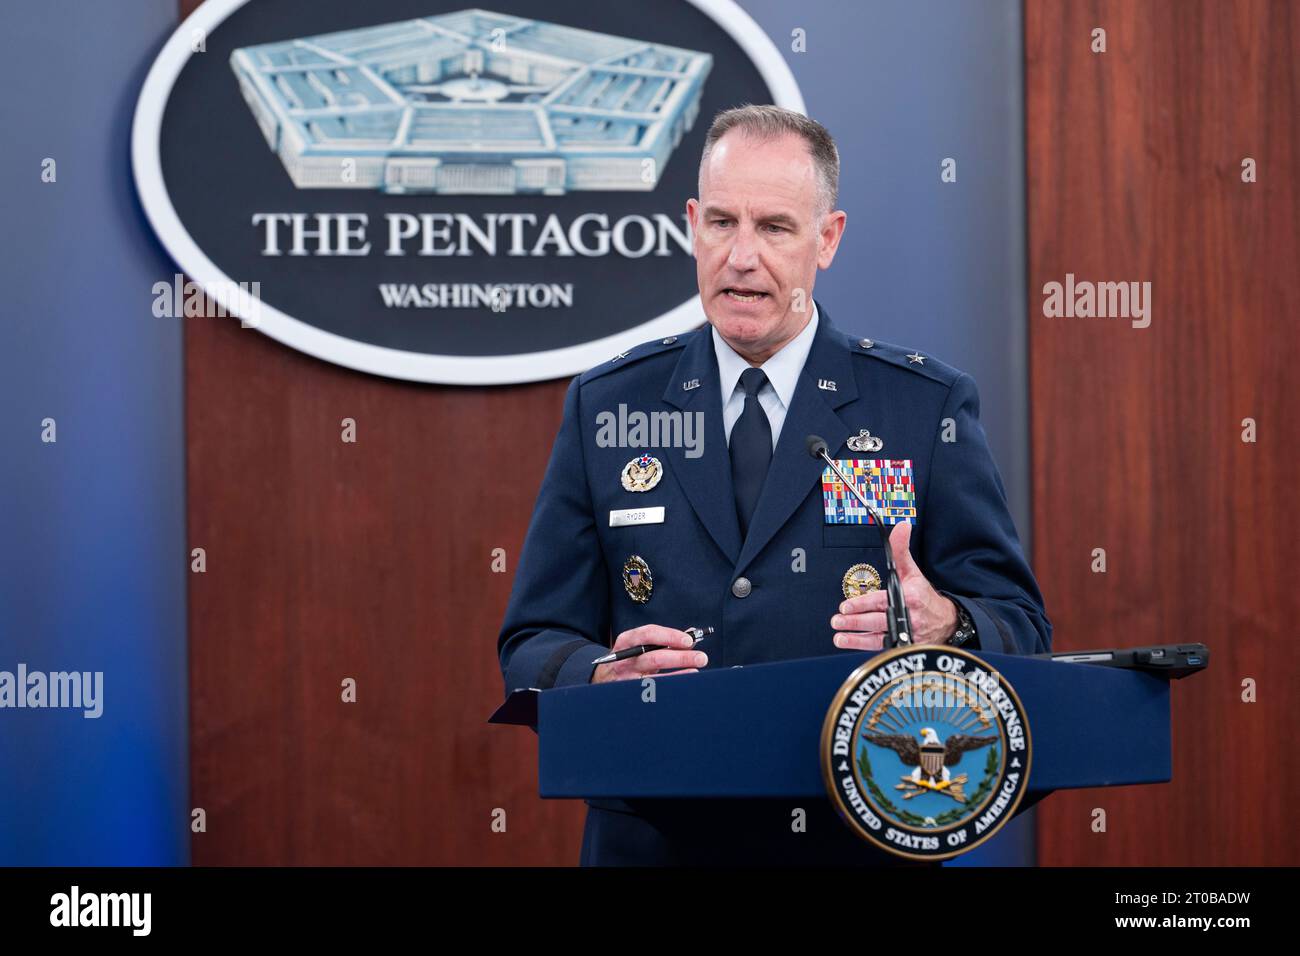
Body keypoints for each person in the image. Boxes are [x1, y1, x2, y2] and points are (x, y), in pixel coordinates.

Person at [497, 104, 1051, 866]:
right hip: (655, 842)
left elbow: (1021, 624)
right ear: (692, 224)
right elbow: (532, 641)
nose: (742, 257)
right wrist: (600, 672)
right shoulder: (609, 406)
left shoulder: (921, 408)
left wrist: (949, 626)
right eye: (722, 222)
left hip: (853, 838)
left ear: (828, 239)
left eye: (776, 228)